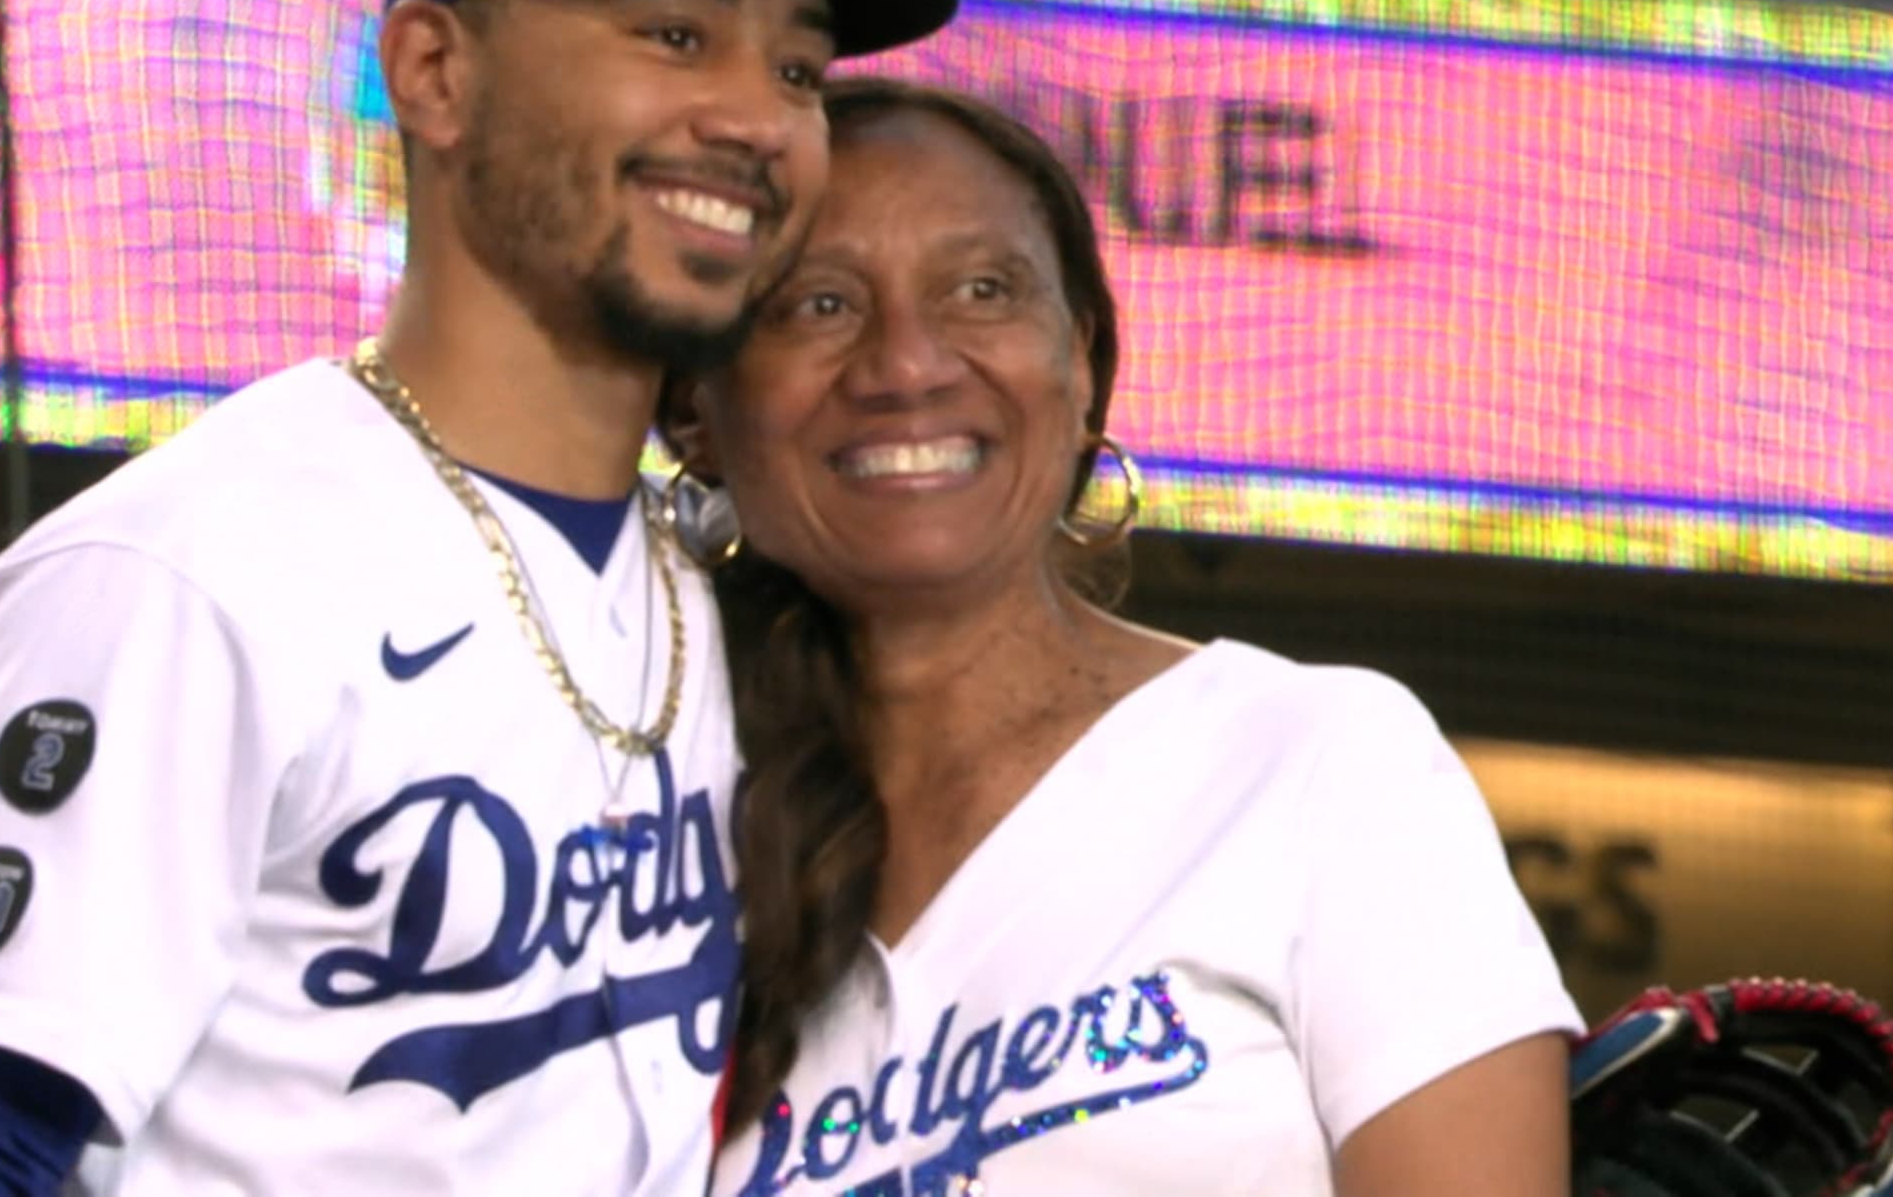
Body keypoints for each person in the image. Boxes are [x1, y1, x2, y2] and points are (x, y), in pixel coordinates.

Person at [0, 0, 958, 1196]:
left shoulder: (707, 580)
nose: (758, 115)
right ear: (433, 71)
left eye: (797, 66)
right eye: (674, 31)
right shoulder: (182, 576)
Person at [663, 77, 1582, 1196]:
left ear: (1084, 362)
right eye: (817, 305)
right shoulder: (618, 824)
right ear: (694, 411)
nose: (906, 365)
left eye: (982, 290)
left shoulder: (1317, 760)